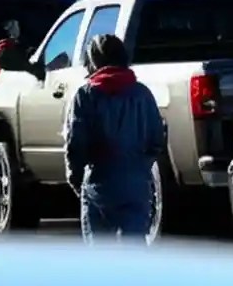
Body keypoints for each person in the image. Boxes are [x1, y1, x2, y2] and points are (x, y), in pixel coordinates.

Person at [63, 34, 166, 243]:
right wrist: (142, 167)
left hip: (99, 184)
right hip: (136, 184)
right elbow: (157, 139)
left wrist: (75, 179)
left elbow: (76, 144)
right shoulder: (142, 94)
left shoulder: (86, 95)